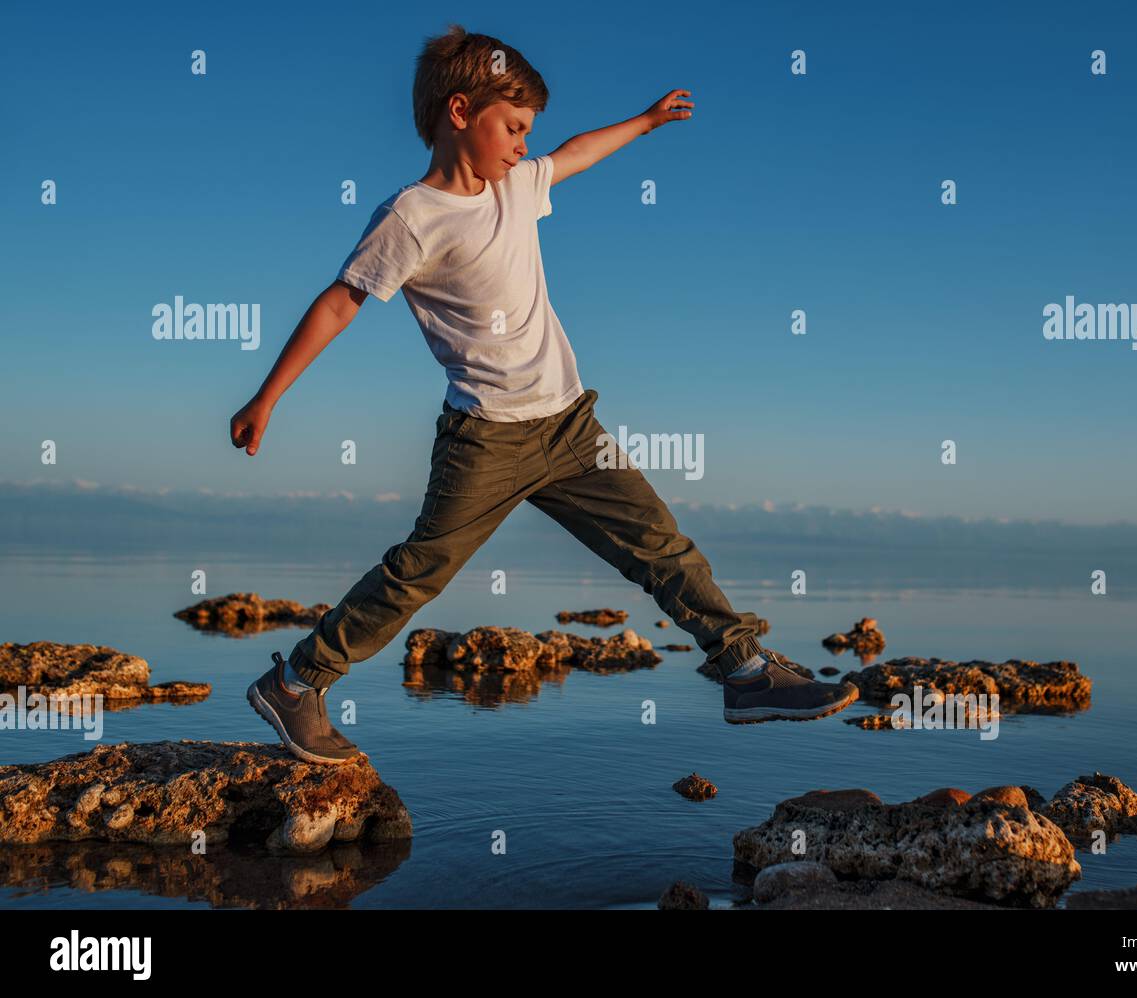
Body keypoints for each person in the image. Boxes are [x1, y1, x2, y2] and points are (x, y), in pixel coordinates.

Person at [231, 24, 857, 765]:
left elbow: (578, 152)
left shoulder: (517, 187)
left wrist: (647, 121)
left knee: (663, 548)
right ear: (459, 112)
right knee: (418, 573)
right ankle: (296, 684)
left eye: (529, 131)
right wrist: (267, 397)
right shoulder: (412, 218)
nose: (524, 145)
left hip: (570, 427)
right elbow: (341, 302)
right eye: (514, 127)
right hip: (486, 439)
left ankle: (745, 672)